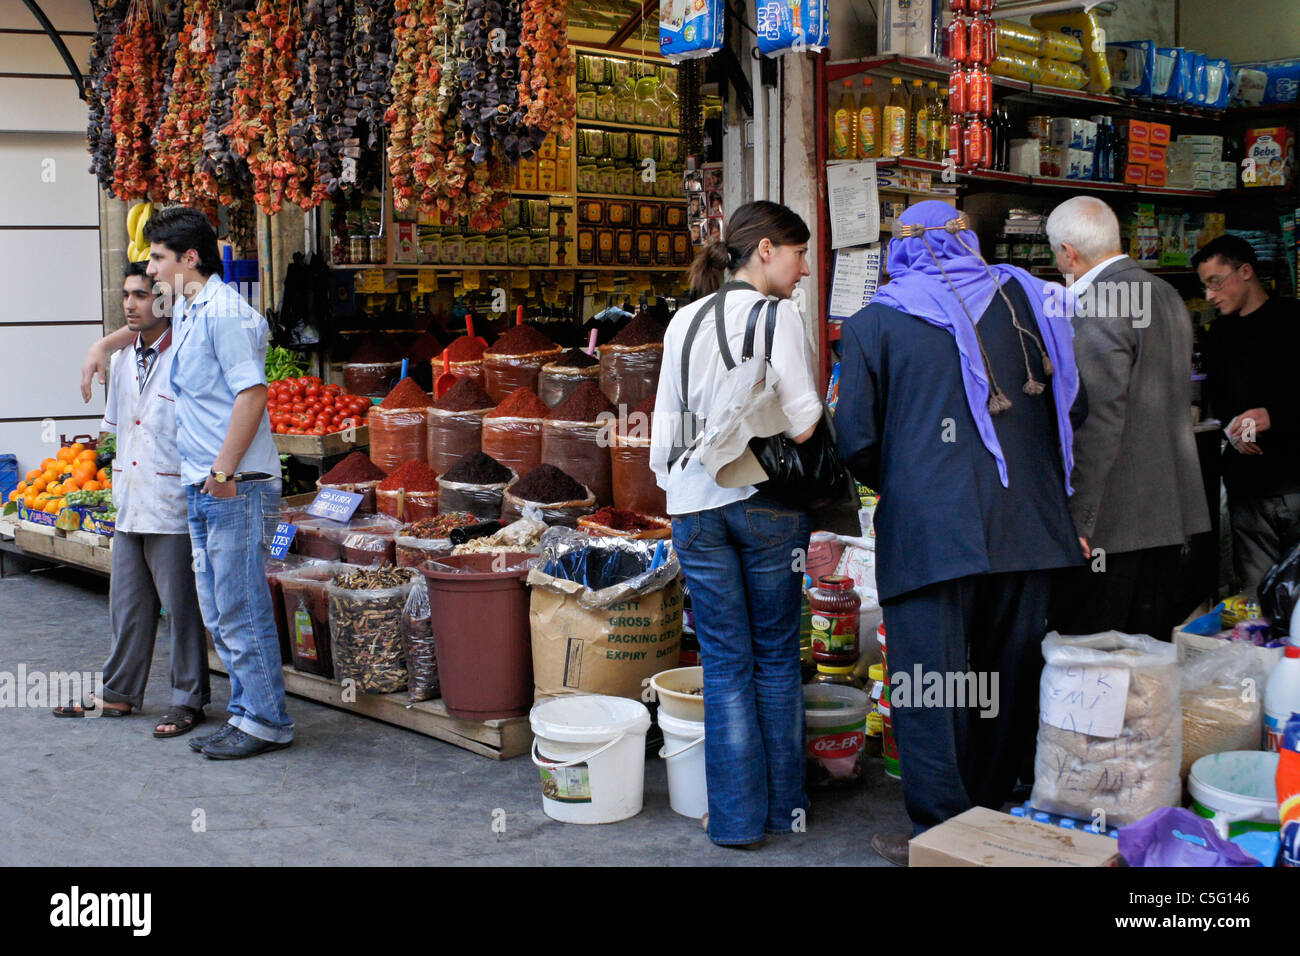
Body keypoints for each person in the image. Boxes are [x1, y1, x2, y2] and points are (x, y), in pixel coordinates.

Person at [834, 201, 1085, 865]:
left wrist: (914, 471)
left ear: (903, 250)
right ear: (969, 242)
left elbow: (856, 439)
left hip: (929, 529)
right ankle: (989, 812)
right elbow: (1074, 406)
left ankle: (944, 834)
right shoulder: (1036, 303)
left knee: (928, 683)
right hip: (1029, 524)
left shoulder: (873, 324)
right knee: (1007, 671)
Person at [80, 206, 292, 760]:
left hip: (235, 485)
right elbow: (139, 325)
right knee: (220, 611)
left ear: (189, 259)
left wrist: (222, 472)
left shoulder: (225, 314)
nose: (149, 270)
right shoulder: (192, 309)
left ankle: (266, 722)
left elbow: (252, 396)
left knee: (241, 607)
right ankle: (246, 714)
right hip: (202, 486)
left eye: (157, 258)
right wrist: (102, 347)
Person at [650, 201, 822, 849]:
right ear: (768, 251)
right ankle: (786, 811)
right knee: (777, 658)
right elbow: (804, 423)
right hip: (766, 505)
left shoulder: (682, 321)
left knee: (725, 664)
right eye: (799, 253)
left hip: (694, 509)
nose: (804, 268)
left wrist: (684, 499)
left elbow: (664, 433)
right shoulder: (779, 317)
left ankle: (734, 820)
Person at [52, 262, 210, 737]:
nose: (129, 304)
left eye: (140, 295)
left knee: (181, 610)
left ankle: (188, 700)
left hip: (172, 503)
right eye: (126, 295)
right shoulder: (121, 361)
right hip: (130, 500)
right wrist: (102, 346)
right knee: (127, 604)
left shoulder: (185, 354)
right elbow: (116, 430)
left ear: (164, 302)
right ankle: (118, 693)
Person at [1044, 196, 1210, 638]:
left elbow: (1099, 418)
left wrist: (1079, 518)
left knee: (1094, 663)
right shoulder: (1167, 293)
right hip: (1166, 515)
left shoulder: (1098, 302)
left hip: (1113, 526)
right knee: (1146, 670)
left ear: (1068, 252)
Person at [1193, 234, 1300, 595]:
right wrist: (1233, 432)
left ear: (1246, 271)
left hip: (1295, 480)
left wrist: (1275, 415)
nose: (1209, 295)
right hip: (1248, 489)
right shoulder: (1218, 335)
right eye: (1204, 286)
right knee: (1260, 599)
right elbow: (1222, 403)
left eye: (1215, 282)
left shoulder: (1293, 319)